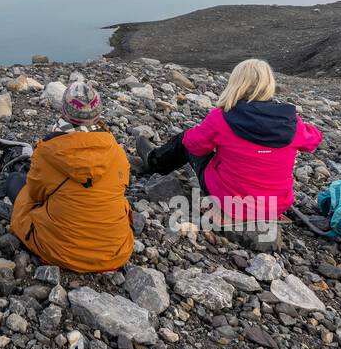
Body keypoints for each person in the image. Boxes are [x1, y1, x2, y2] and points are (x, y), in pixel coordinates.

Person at [134, 59, 322, 225]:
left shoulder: (223, 117)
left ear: (236, 83)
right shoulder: (291, 123)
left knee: (186, 138)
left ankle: (153, 161)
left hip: (230, 201)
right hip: (275, 206)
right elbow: (314, 141)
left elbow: (195, 146)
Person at [9, 81, 134, 274]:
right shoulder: (117, 152)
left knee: (16, 182)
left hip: (60, 252)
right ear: (98, 114)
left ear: (64, 112)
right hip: (114, 252)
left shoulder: (48, 151)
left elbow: (35, 194)